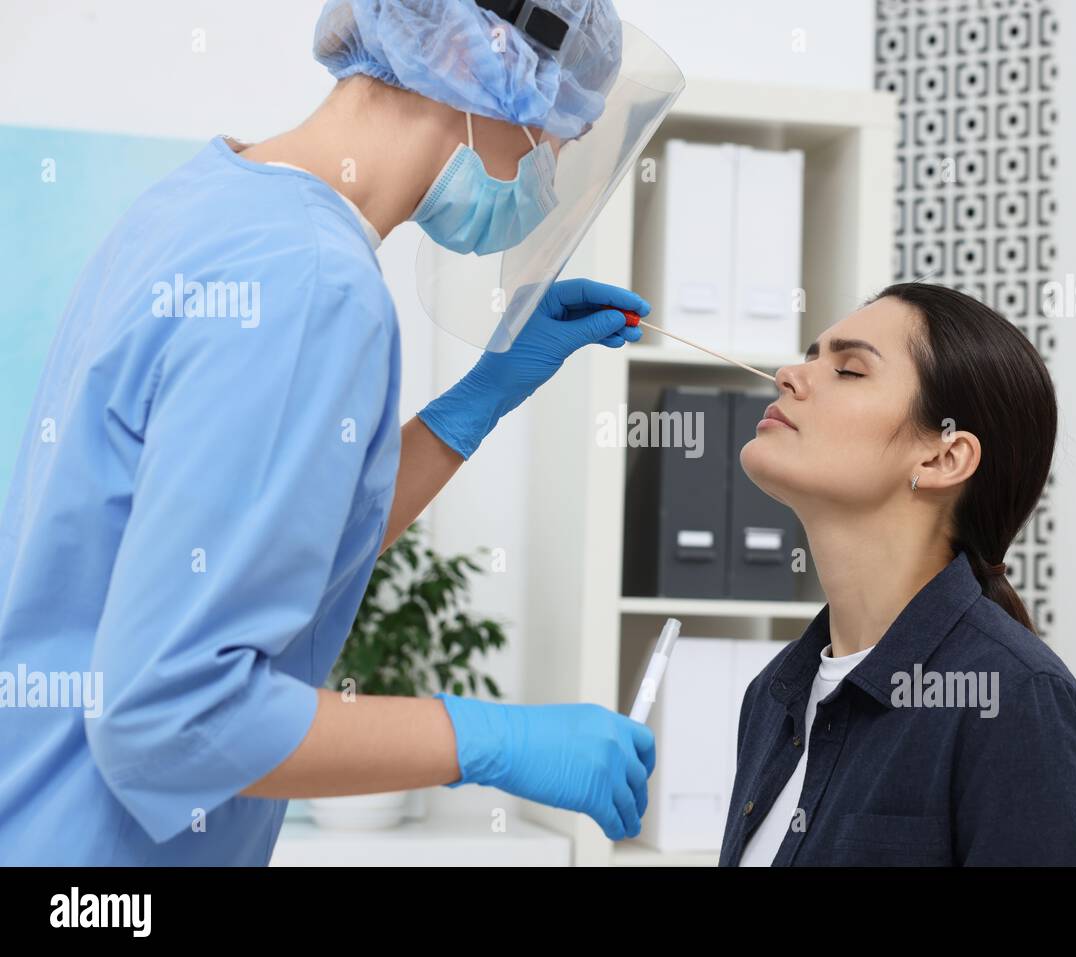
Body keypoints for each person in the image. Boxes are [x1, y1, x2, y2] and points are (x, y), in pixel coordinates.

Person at [0, 0, 657, 865]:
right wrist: (493, 739)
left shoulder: (205, 202)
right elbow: (170, 719)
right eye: (560, 133)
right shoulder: (313, 285)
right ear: (492, 75)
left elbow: (259, 546)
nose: (551, 166)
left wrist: (480, 398)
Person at [719, 283, 1076, 865]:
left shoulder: (1014, 702)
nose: (789, 375)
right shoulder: (772, 696)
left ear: (941, 458)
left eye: (849, 370)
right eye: (810, 356)